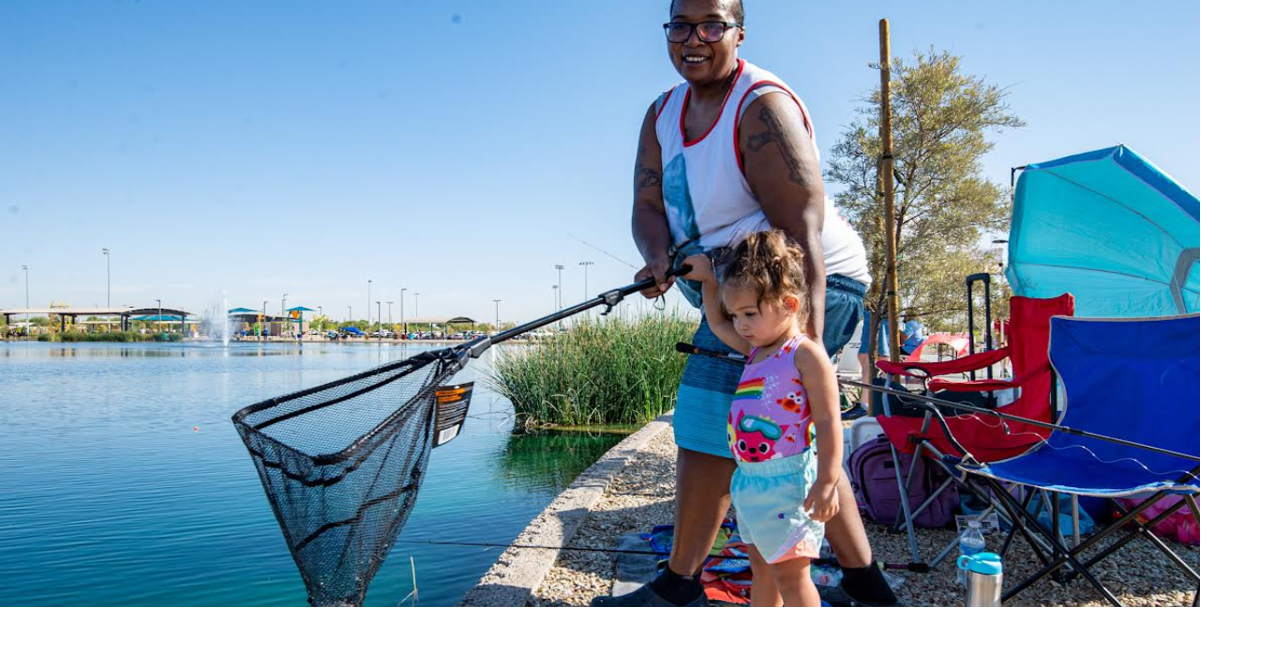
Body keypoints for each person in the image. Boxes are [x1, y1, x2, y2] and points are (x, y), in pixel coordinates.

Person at [594, 0, 898, 607]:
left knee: (708, 418)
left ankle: (679, 586)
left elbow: (803, 230)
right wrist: (657, 258)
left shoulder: (762, 106)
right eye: (681, 26)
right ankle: (868, 589)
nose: (694, 39)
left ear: (739, 33)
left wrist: (805, 351)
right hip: (735, 287)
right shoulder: (661, 114)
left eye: (712, 25)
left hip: (807, 282)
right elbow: (647, 206)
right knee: (788, 445)